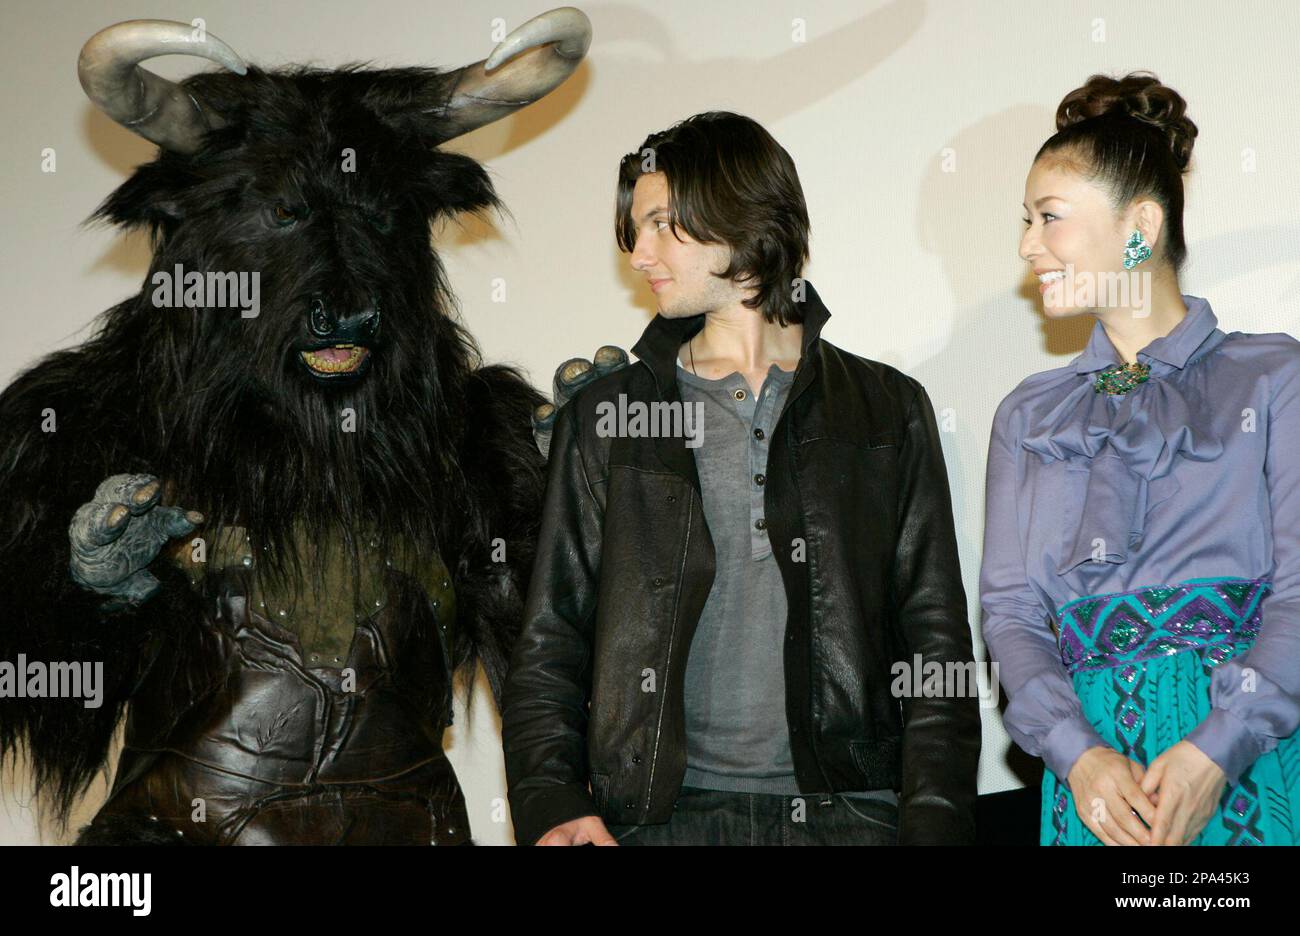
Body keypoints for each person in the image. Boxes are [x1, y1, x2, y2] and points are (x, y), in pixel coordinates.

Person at [502, 111, 980, 846]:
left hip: (850, 815)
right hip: (656, 821)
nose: (640, 253)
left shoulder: (886, 408)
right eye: (634, 230)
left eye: (662, 224)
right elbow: (550, 638)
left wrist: (936, 820)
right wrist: (551, 798)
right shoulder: (607, 416)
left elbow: (935, 641)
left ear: (744, 218)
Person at [980, 72, 1300, 845]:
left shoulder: (1273, 376)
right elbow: (1012, 616)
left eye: (1048, 218)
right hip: (1091, 789)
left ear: (1139, 227)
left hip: (1246, 767)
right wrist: (1078, 756)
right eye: (1026, 221)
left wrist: (1216, 749)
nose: (1027, 245)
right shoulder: (1027, 414)